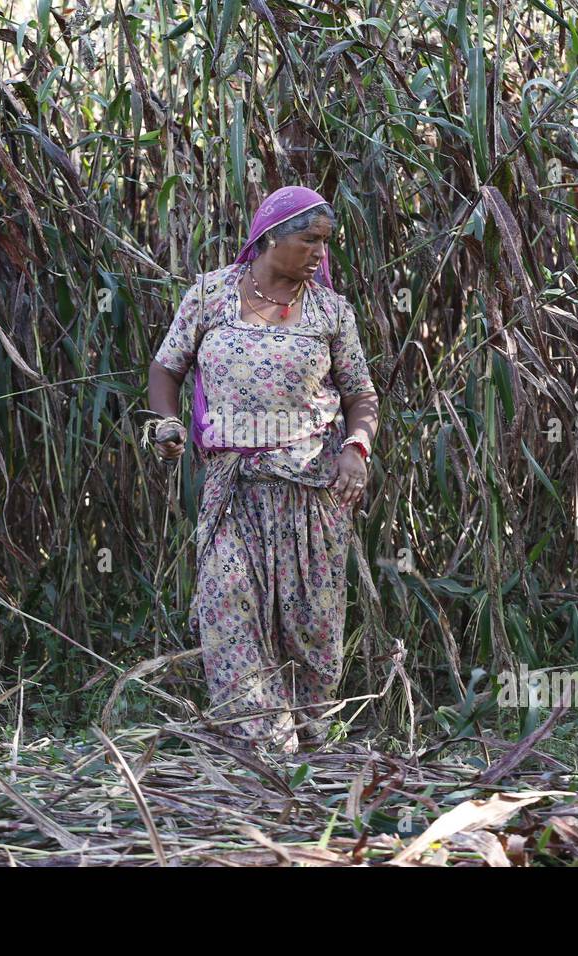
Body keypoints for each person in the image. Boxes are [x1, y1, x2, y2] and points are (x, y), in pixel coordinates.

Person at [144, 185, 380, 754]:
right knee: (228, 608)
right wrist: (168, 426)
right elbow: (165, 370)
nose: (320, 253)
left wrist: (356, 446)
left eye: (326, 243)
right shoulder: (211, 296)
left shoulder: (330, 312)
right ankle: (260, 743)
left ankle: (311, 737)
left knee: (312, 624)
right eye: (310, 240)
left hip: (311, 491)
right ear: (270, 236)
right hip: (234, 487)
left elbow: (361, 394)